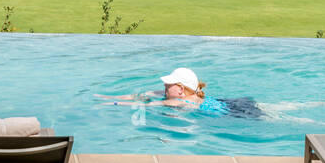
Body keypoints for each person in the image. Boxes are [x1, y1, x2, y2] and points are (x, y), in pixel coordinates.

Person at [99, 67, 261, 118]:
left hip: (235, 112)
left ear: (181, 89)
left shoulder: (179, 101)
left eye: (169, 84)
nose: (164, 86)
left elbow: (148, 104)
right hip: (229, 102)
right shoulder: (185, 94)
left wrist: (114, 104)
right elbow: (144, 96)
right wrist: (110, 96)